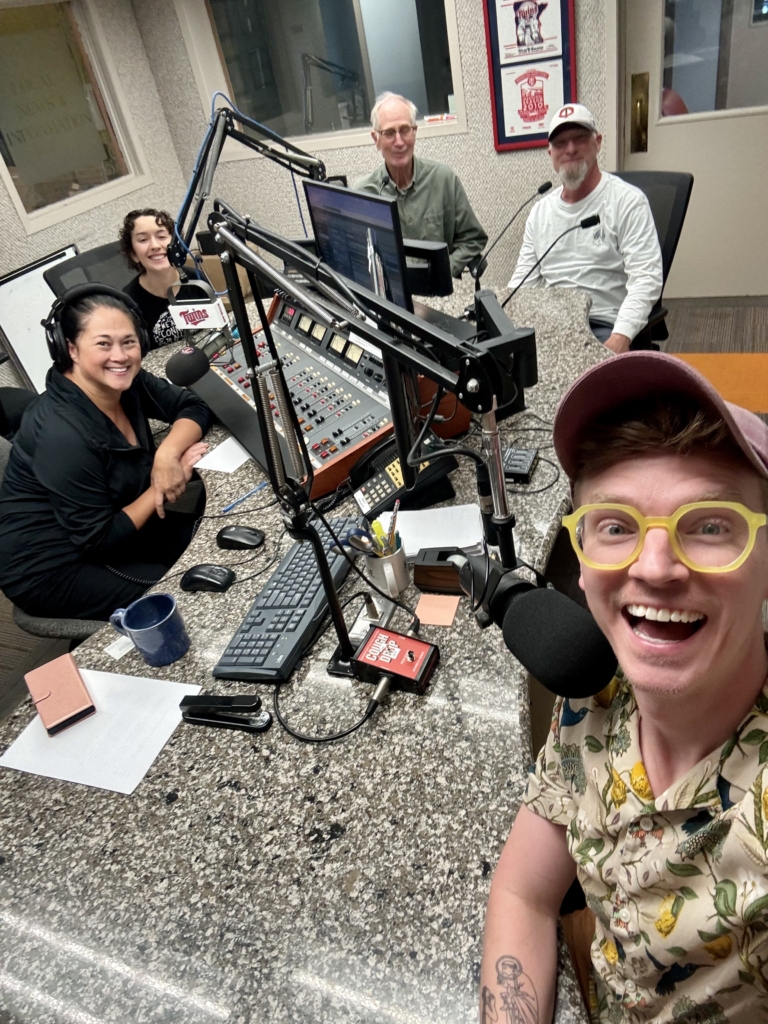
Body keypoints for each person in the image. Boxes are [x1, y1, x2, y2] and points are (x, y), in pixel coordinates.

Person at [481, 351, 768, 1023]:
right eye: (615, 527)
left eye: (710, 526)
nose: (657, 567)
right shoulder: (594, 692)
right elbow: (523, 895)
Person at [0, 285, 210, 621]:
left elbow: (192, 406)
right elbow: (99, 539)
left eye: (128, 342)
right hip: (52, 566)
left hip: (115, 519)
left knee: (214, 544)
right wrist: (160, 487)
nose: (120, 355)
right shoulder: (60, 433)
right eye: (103, 344)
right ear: (70, 348)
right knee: (191, 598)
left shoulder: (127, 381)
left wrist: (166, 456)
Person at [508, 104, 663, 354]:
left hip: (603, 325)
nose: (570, 149)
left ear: (598, 142)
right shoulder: (540, 212)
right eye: (560, 143)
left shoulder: (627, 201)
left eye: (580, 138)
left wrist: (621, 337)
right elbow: (522, 284)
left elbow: (646, 278)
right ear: (550, 153)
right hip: (550, 326)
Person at [353, 92, 487, 279]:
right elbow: (354, 255)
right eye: (390, 133)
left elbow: (473, 239)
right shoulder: (362, 194)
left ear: (414, 132)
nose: (399, 142)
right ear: (376, 139)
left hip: (439, 290)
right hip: (390, 296)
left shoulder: (444, 180)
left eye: (405, 130)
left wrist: (445, 269)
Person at [120, 207, 201, 349]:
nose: (155, 246)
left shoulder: (195, 278)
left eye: (161, 237)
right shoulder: (128, 303)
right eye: (143, 239)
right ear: (133, 254)